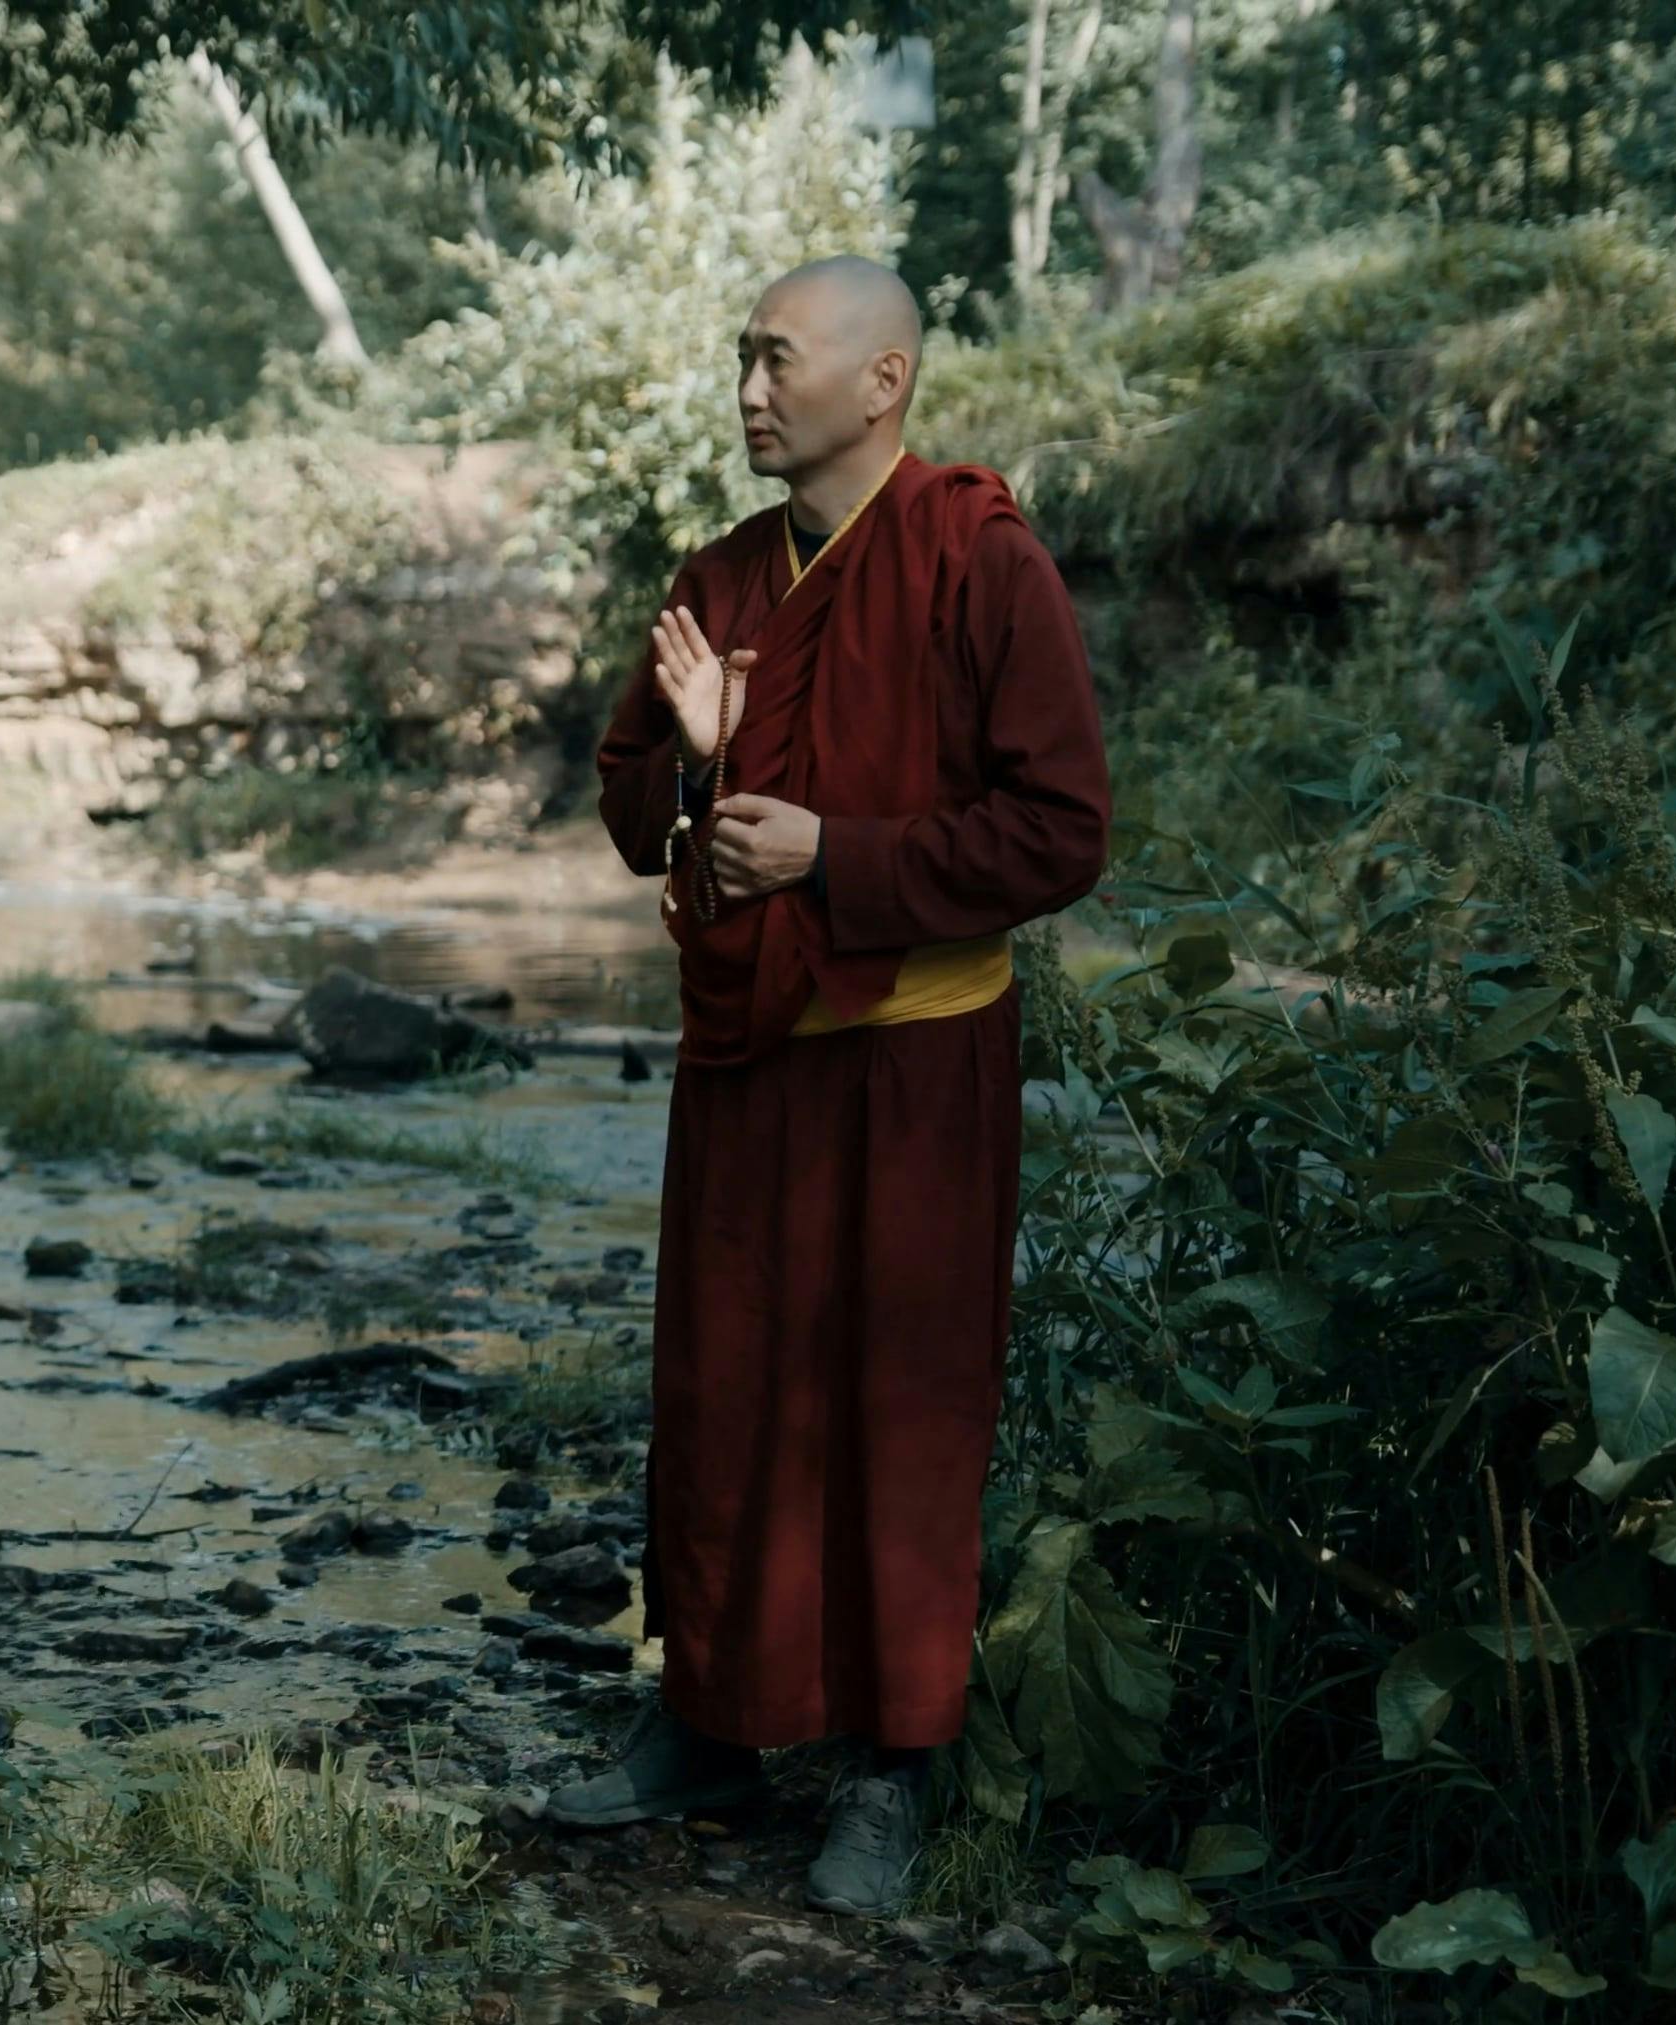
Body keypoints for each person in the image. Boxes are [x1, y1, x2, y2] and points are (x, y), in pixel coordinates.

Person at [548, 256, 1113, 1918]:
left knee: (900, 1403)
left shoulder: (974, 555)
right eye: (737, 356)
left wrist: (834, 854)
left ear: (883, 383)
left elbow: (1063, 829)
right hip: (749, 1056)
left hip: (919, 1049)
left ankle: (892, 1764)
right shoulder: (718, 574)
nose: (744, 387)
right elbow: (637, 808)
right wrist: (710, 756)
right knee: (725, 1392)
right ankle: (711, 1721)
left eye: (775, 358)